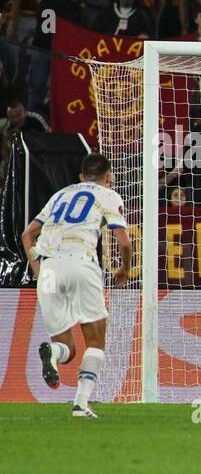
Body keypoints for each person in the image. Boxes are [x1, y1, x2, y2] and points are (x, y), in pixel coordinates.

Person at [20, 153, 132, 419]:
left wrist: (37, 268)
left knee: (67, 349)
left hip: (48, 268)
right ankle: (81, 404)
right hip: (81, 262)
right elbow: (124, 243)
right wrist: (125, 269)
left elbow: (28, 234)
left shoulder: (59, 195)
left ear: (81, 177)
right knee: (95, 341)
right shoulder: (108, 195)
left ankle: (53, 353)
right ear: (108, 178)